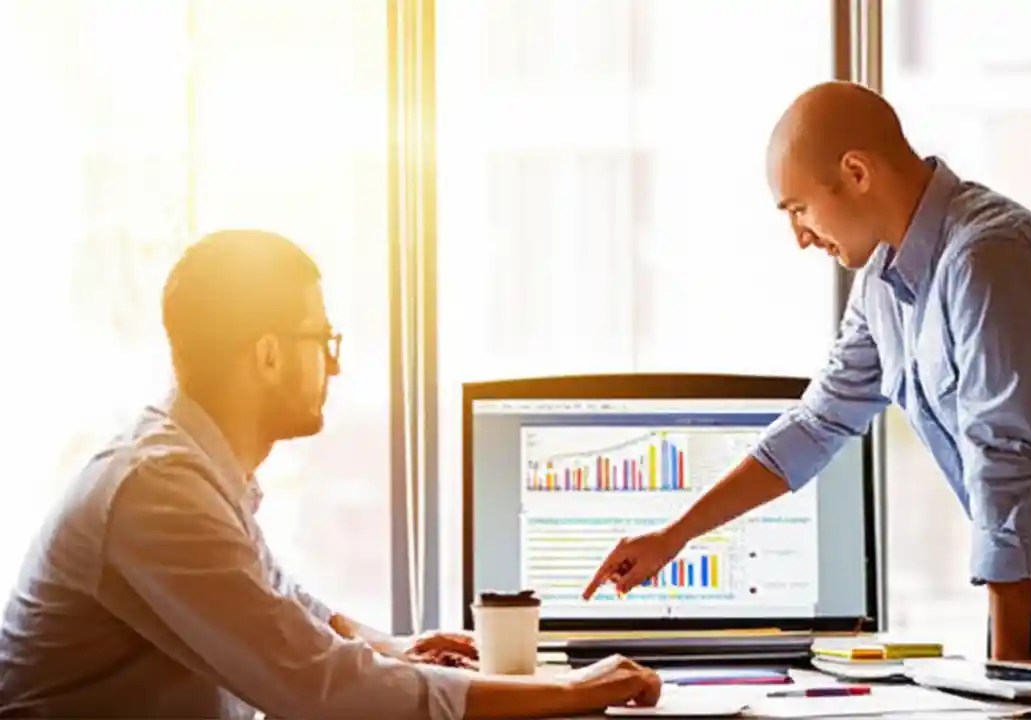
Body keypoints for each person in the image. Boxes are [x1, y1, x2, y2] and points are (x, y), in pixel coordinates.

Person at [583, 81, 1031, 662]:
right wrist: (673, 537)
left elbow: (1003, 458)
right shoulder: (880, 286)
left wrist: (1004, 667)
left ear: (857, 172)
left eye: (799, 209)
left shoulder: (986, 255)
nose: (800, 237)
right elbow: (817, 424)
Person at [0, 230, 660, 719]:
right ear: (267, 355)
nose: (334, 366)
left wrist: (397, 647)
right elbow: (319, 687)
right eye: (322, 340)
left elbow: (286, 606)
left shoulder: (191, 470)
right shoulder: (156, 492)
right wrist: (569, 690)